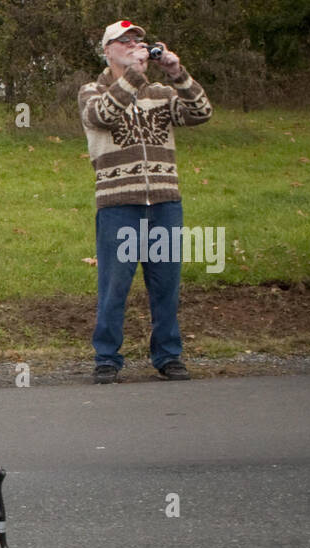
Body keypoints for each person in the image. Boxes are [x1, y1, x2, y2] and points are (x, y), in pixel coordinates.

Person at [78, 19, 213, 383]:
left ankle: (168, 355)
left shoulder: (160, 93)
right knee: (114, 286)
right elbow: (102, 116)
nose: (133, 45)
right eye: (124, 41)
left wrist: (177, 73)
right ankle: (107, 357)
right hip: (119, 202)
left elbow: (201, 113)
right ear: (107, 51)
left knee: (166, 284)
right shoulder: (91, 91)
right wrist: (134, 76)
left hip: (165, 201)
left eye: (137, 39)